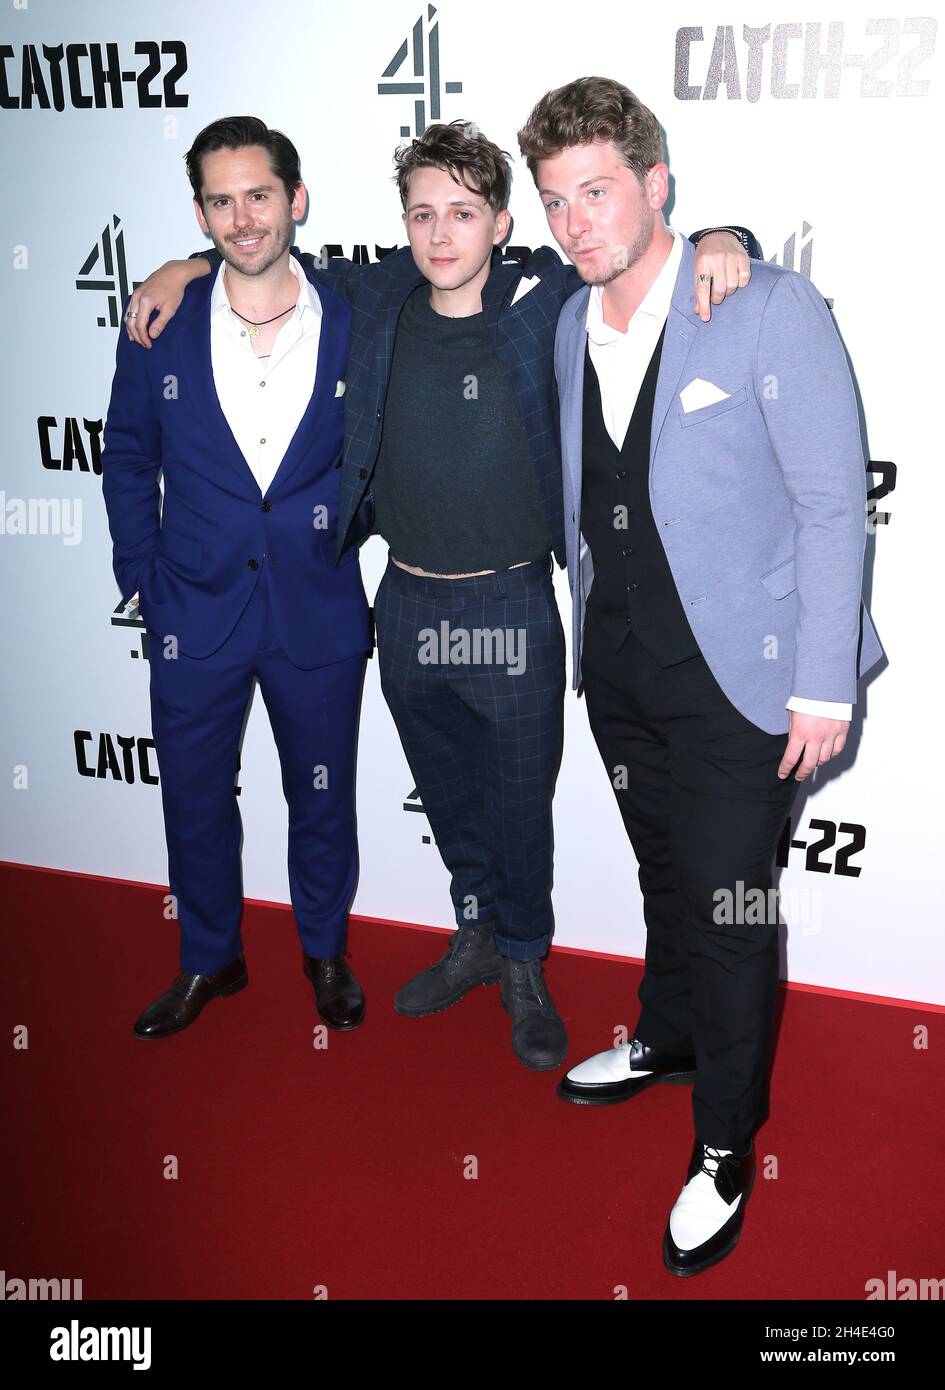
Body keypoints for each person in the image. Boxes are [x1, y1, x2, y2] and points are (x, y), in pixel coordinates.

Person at [122, 118, 756, 1070]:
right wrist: (180, 265)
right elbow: (255, 252)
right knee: (454, 805)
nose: (441, 233)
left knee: (517, 809)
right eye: (422, 214)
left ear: (502, 223)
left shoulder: (543, 300)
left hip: (511, 608)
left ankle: (524, 963)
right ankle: (471, 939)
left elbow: (634, 255)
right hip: (408, 604)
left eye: (463, 212)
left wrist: (725, 239)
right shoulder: (373, 295)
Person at [517, 76, 883, 1273]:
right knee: (665, 868)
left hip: (747, 678)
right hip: (619, 663)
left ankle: (726, 1145)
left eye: (598, 192)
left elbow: (835, 503)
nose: (575, 223)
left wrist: (823, 685)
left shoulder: (764, 305)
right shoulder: (570, 321)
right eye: (556, 200)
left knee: (735, 914)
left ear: (657, 186)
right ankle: (668, 1036)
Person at [101, 117, 372, 1040]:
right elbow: (129, 455)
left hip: (319, 609)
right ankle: (209, 958)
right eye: (221, 200)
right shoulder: (160, 325)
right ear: (200, 212)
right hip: (193, 610)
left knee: (323, 794)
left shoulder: (355, 315)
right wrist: (141, 572)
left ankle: (324, 949)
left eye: (259, 195)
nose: (242, 217)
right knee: (192, 796)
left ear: (296, 200)